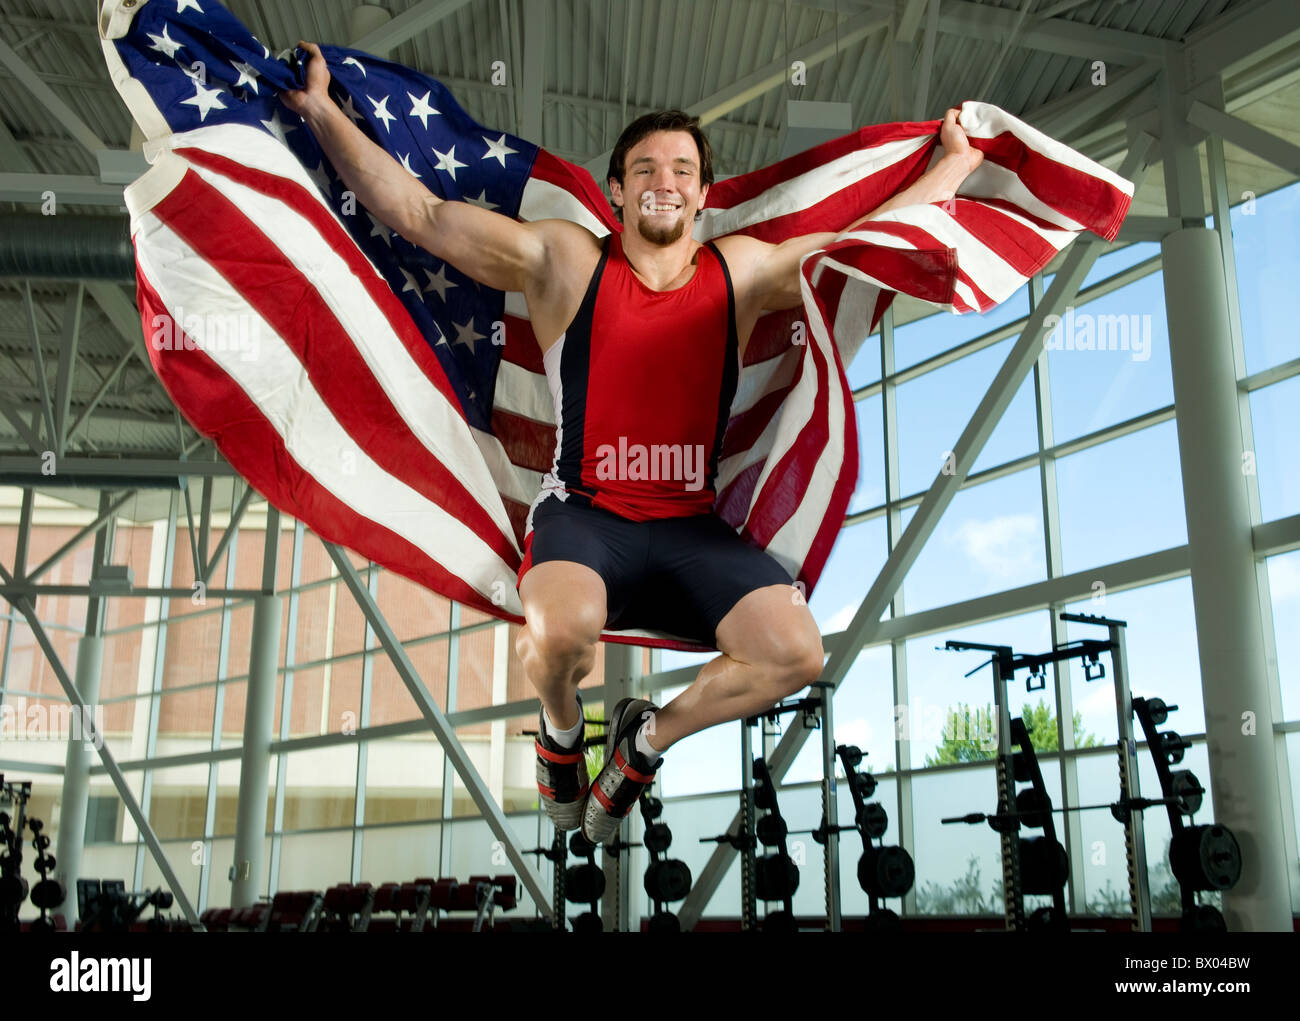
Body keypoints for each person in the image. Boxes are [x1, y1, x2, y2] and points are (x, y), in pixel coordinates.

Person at [283, 42, 984, 844]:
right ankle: (558, 728)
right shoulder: (565, 260)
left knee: (796, 654)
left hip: (689, 525)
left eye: (682, 169)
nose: (665, 182)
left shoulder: (742, 271)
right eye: (646, 168)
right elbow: (422, 215)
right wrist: (323, 113)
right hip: (587, 513)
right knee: (557, 630)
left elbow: (862, 244)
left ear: (703, 194)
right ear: (616, 191)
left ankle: (645, 740)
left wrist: (954, 166)